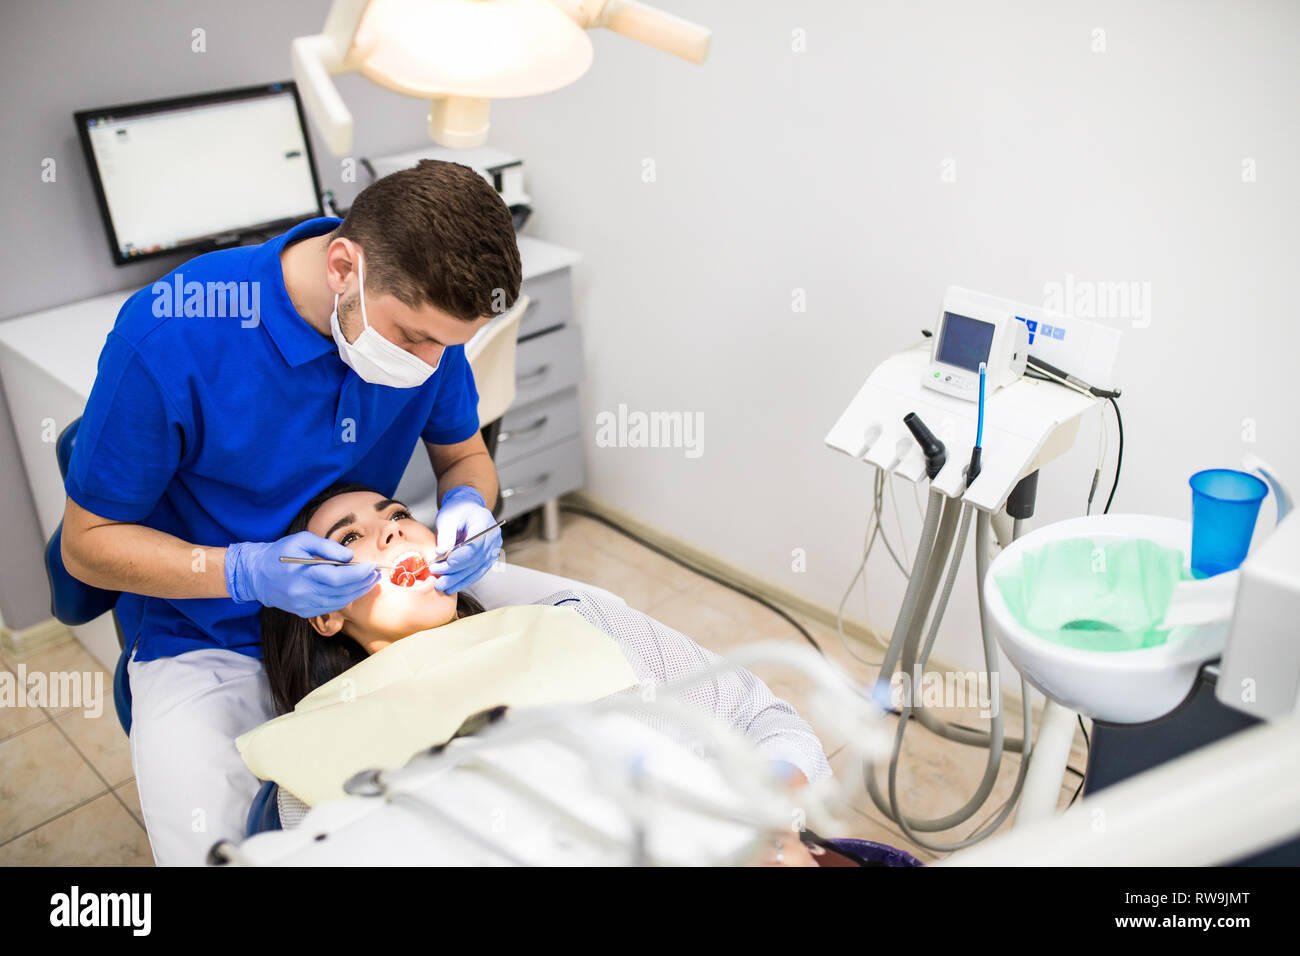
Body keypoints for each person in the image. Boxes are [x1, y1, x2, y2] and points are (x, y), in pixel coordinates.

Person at [59, 161, 520, 865]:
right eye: (415, 339)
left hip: (359, 635)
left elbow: (464, 459)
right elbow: (87, 546)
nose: (433, 363)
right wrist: (246, 572)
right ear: (344, 267)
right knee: (212, 842)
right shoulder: (171, 339)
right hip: (206, 633)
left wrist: (469, 506)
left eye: (447, 347)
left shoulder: (429, 327)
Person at [259, 482, 833, 866]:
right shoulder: (316, 756)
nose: (394, 531)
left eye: (401, 515)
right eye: (350, 537)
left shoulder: (577, 625)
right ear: (324, 612)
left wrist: (769, 823)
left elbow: (763, 717)